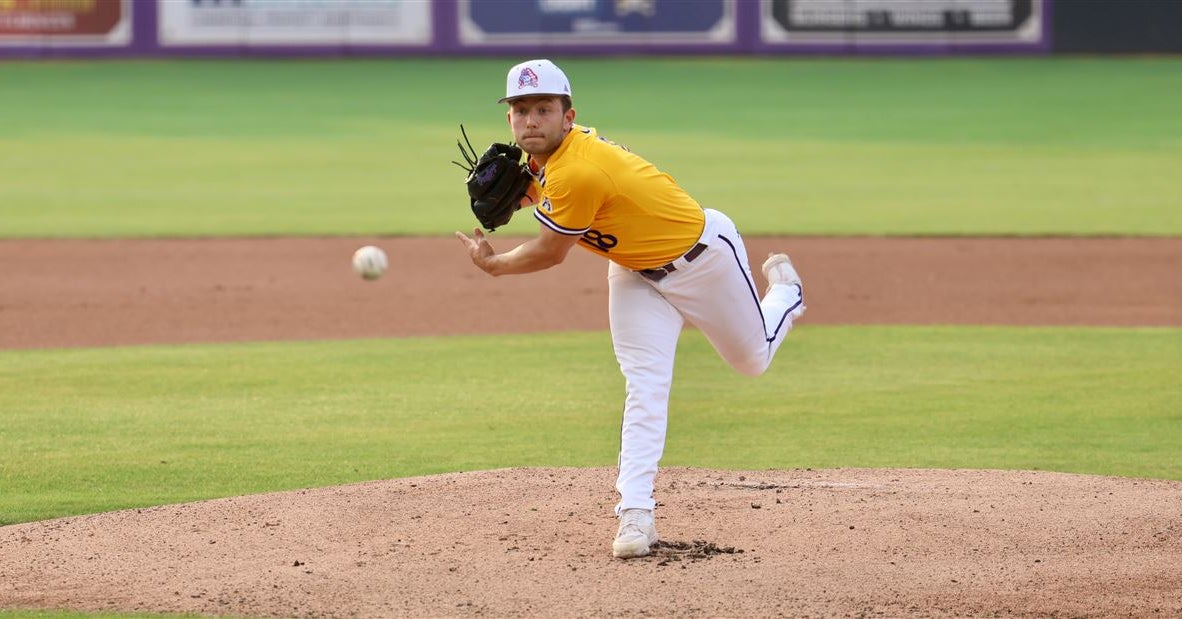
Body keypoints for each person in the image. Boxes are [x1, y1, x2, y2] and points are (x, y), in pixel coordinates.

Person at [455, 59, 806, 559]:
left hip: (704, 261)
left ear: (567, 115)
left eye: (543, 109)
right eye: (520, 110)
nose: (530, 120)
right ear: (509, 119)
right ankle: (636, 513)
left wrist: (495, 265)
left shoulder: (578, 169)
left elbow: (551, 252)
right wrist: (519, 198)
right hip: (635, 273)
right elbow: (542, 192)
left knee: (751, 361)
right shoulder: (541, 165)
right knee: (644, 384)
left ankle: (786, 294)